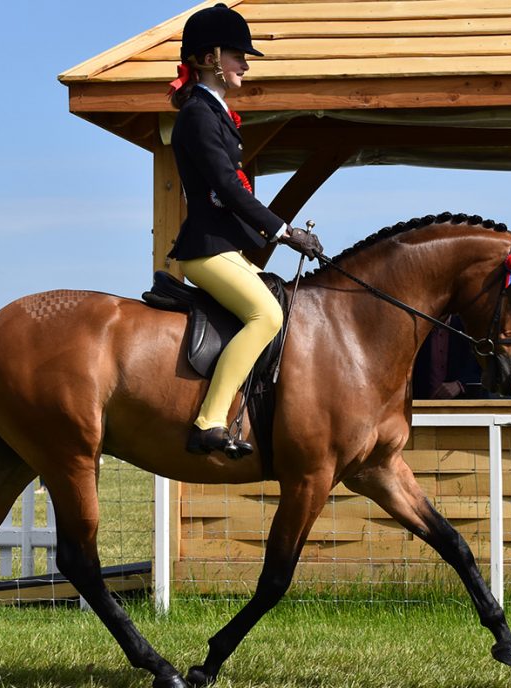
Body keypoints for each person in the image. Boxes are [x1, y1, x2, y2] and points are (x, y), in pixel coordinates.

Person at [166, 3, 323, 456]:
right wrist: (284, 231)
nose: (245, 64)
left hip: (227, 247)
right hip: (207, 249)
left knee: (281, 308)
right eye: (238, 55)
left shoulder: (211, 112)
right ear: (212, 57)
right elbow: (228, 189)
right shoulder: (198, 113)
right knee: (266, 315)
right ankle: (210, 422)